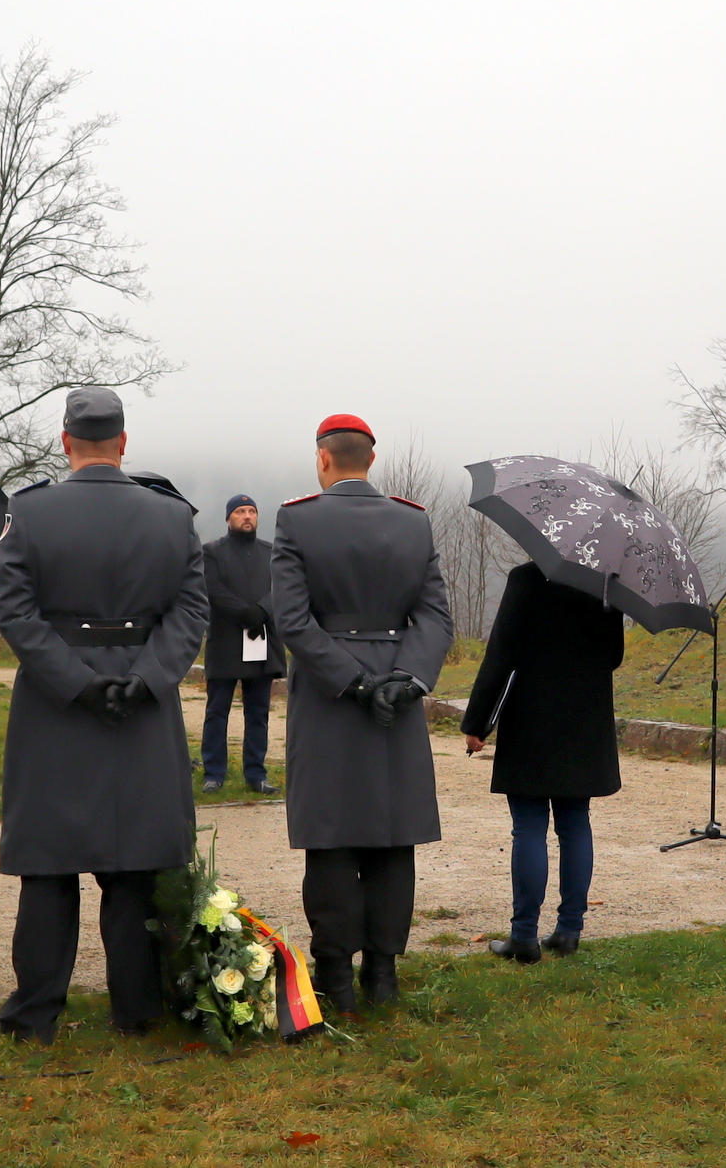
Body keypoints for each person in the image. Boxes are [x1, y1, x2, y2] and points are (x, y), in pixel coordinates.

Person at [0, 388, 209, 1044]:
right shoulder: (172, 517)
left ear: (65, 442)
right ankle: (137, 1011)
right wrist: (144, 681)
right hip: (143, 708)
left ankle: (35, 1015)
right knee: (134, 866)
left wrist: (78, 684)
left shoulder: (28, 514)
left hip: (57, 710)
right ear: (122, 443)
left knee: (49, 870)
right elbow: (190, 613)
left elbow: (15, 613)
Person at [271, 414, 452, 1015]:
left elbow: (293, 621)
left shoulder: (296, 519)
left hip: (330, 701)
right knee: (392, 840)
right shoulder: (413, 522)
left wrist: (353, 682)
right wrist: (407, 678)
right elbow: (434, 617)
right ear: (370, 460)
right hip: (397, 703)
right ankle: (383, 974)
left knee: (332, 840)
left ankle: (337, 982)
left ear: (323, 460)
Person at [460, 562, 622, 963]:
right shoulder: (606, 585)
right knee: (575, 824)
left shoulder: (527, 578)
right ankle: (569, 932)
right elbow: (614, 656)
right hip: (585, 719)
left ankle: (524, 938)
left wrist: (477, 721)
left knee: (529, 826)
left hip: (532, 717)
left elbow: (501, 652)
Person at [199, 493, 284, 794]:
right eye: (240, 511)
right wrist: (243, 611)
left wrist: (262, 610)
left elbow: (282, 588)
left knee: (258, 711)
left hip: (261, 639)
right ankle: (213, 773)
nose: (247, 516)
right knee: (217, 710)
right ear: (228, 518)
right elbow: (213, 589)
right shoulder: (211, 552)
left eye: (252, 511)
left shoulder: (271, 552)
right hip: (226, 640)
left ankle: (256, 774)